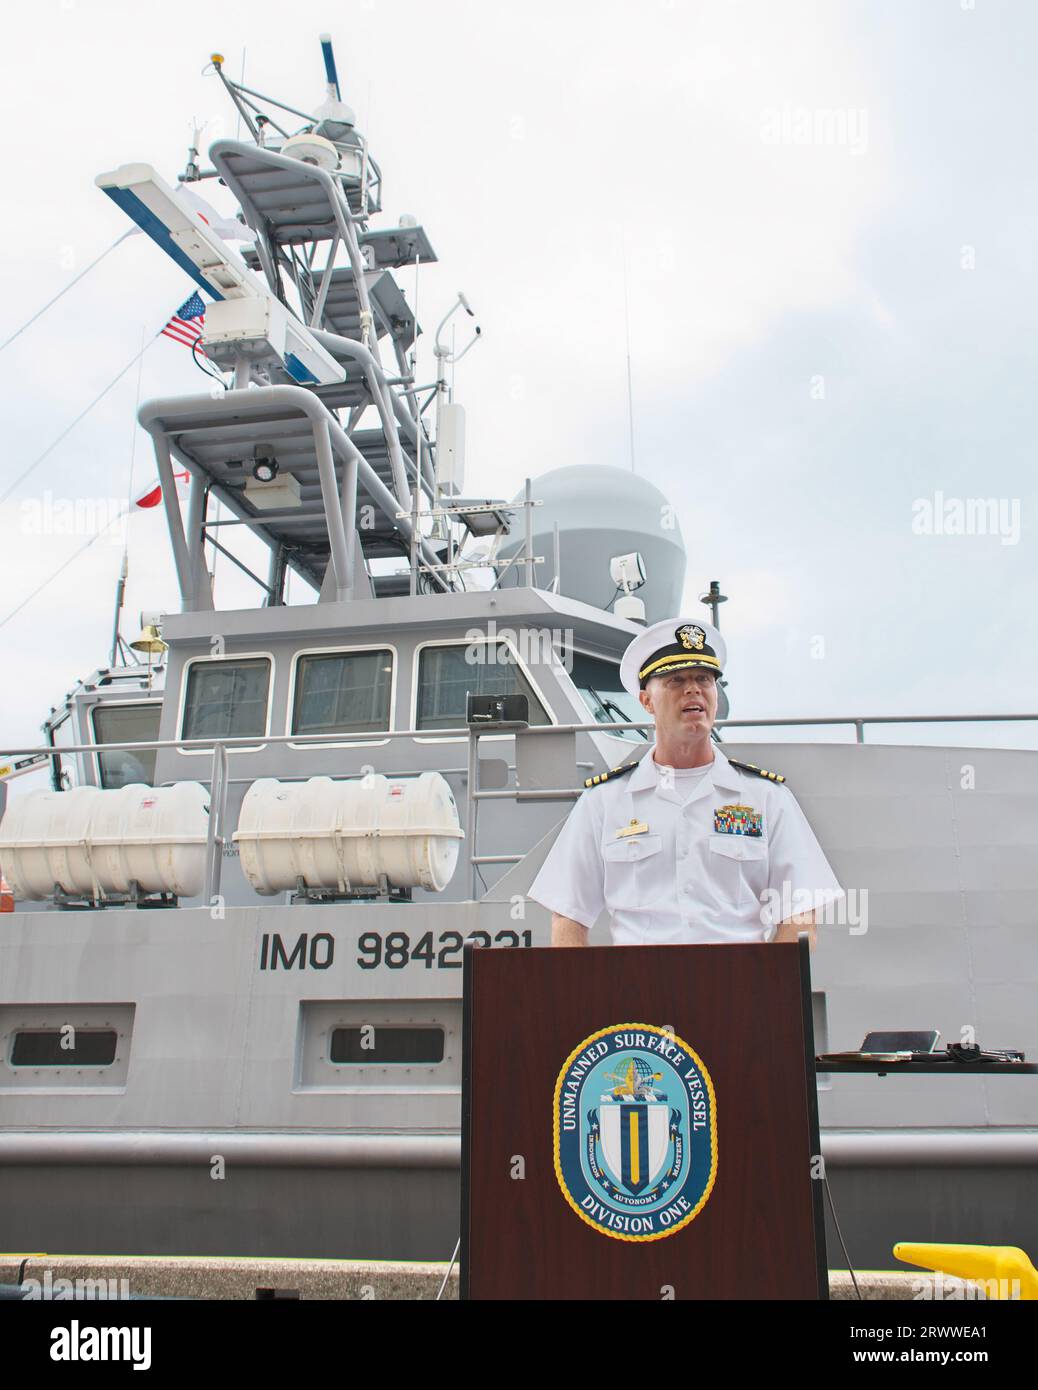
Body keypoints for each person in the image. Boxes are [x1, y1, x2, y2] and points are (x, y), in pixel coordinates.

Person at [527, 618, 844, 947]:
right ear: (647, 701)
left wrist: (770, 993)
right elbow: (568, 916)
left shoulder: (765, 797)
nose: (693, 688)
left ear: (715, 697)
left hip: (740, 992)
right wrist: (585, 997)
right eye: (676, 680)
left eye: (704, 679)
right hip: (635, 994)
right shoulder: (604, 802)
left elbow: (800, 915)